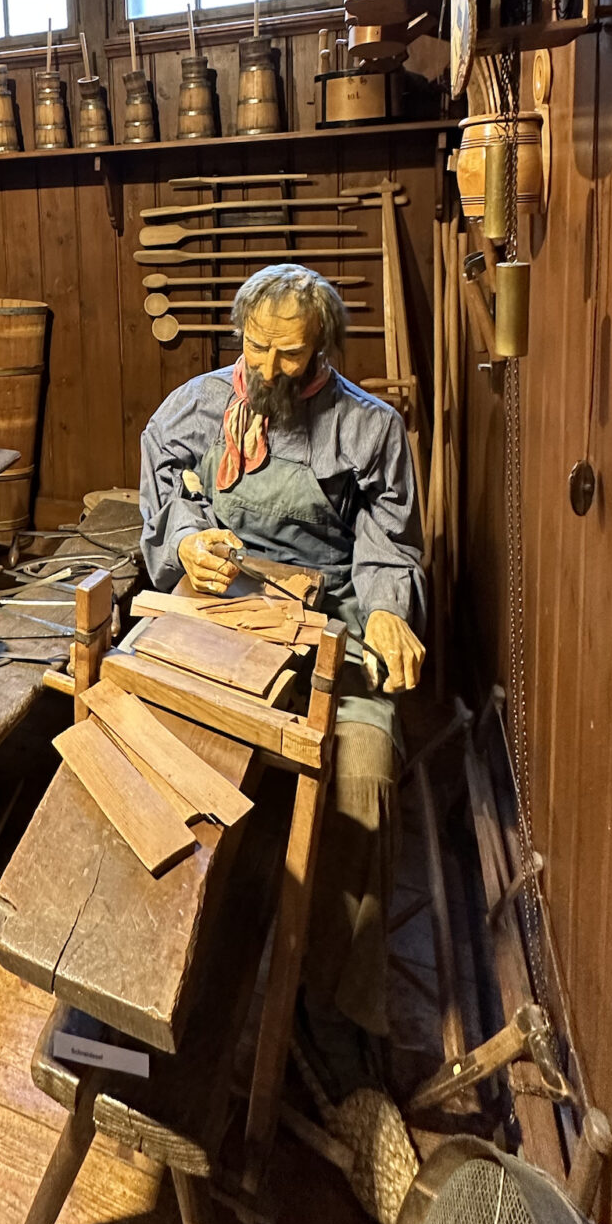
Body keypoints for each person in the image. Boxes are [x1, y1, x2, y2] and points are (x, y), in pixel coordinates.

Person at [138, 261, 425, 1098]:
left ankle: (331, 1012)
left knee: (363, 785)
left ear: (325, 351)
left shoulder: (370, 431)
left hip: (331, 616)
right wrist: (189, 540)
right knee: (153, 756)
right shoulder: (195, 406)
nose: (265, 371)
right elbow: (167, 490)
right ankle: (168, 976)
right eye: (255, 348)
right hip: (223, 609)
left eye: (289, 357)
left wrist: (383, 608)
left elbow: (389, 546)